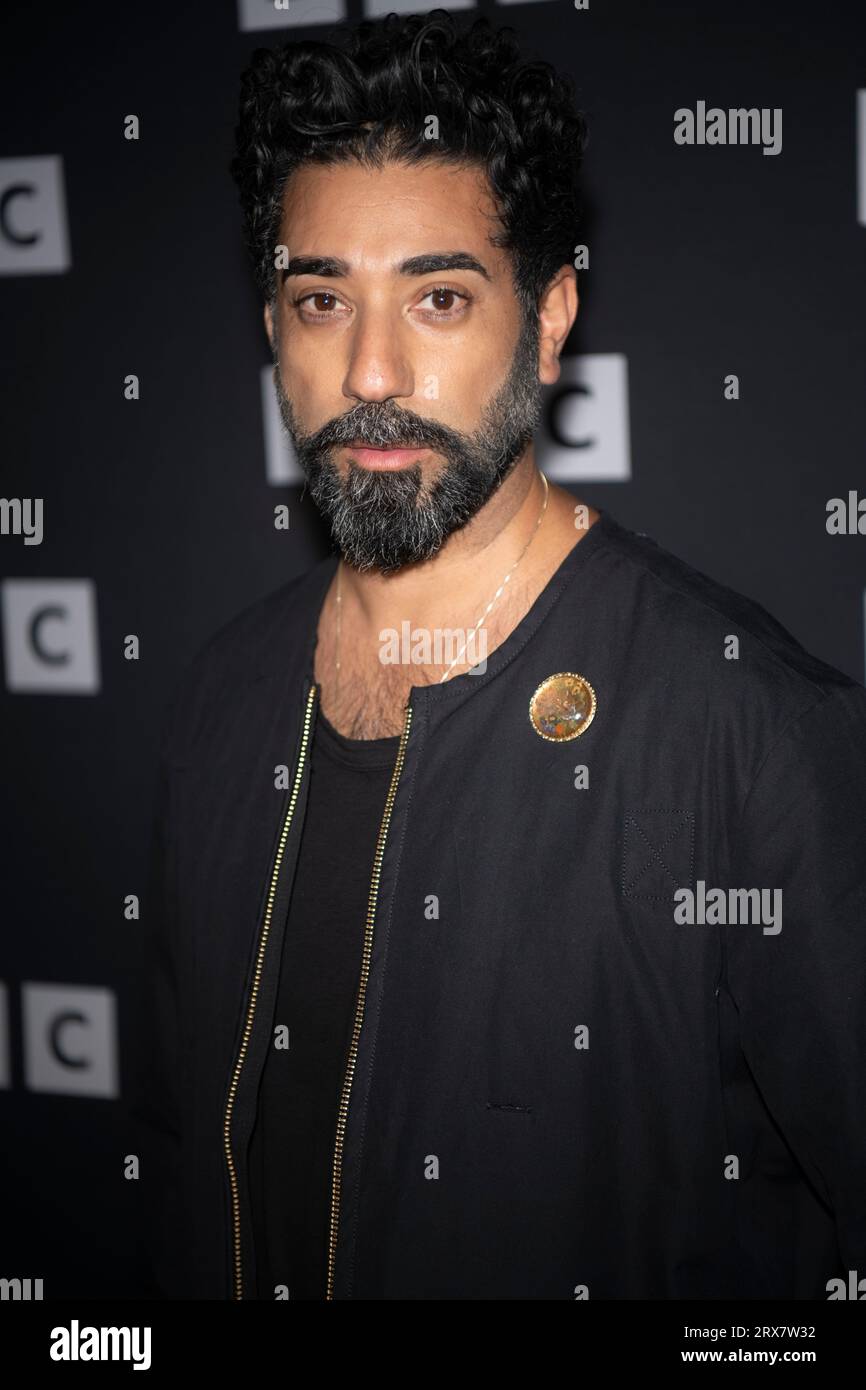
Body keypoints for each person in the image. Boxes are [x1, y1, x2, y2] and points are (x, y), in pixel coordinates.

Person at [129, 9, 866, 1300]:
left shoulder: (748, 730)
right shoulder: (220, 702)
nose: (370, 367)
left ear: (547, 317)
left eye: (438, 296)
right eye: (320, 300)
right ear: (272, 324)